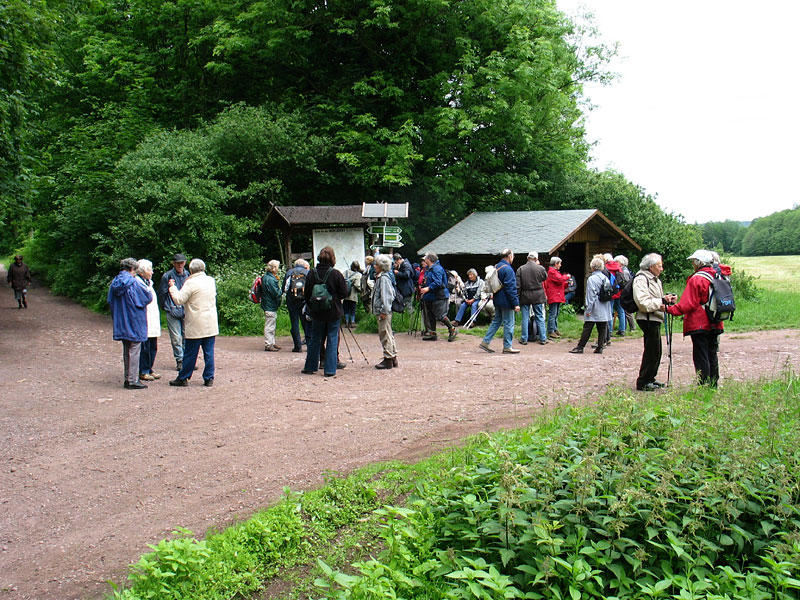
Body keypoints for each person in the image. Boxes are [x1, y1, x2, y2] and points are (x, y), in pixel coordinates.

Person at [665, 249, 725, 387]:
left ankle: (703, 383)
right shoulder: (719, 275)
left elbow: (688, 304)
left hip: (700, 324)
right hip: (716, 321)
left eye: (693, 261)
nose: (692, 264)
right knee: (712, 354)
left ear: (699, 262)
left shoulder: (697, 278)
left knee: (701, 355)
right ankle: (713, 384)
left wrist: (669, 309)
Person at [168, 258, 218, 387]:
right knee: (209, 352)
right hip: (210, 321)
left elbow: (179, 300)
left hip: (196, 322)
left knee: (190, 352)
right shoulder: (210, 281)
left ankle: (184, 377)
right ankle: (209, 377)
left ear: (191, 270)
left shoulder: (191, 283)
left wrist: (172, 287)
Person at [302, 246, 348, 377]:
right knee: (332, 338)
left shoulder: (312, 273)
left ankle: (310, 367)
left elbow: (307, 294)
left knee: (315, 338)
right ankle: (330, 369)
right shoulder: (336, 274)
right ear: (332, 258)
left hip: (317, 312)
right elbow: (344, 293)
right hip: (333, 312)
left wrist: (312, 306)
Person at [632, 253, 676, 391]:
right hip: (647, 318)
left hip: (654, 317)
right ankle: (643, 381)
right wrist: (662, 301)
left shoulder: (655, 279)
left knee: (656, 350)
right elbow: (642, 302)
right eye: (659, 266)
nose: (662, 268)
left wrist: (666, 300)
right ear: (651, 267)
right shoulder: (641, 279)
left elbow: (653, 300)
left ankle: (650, 378)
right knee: (652, 350)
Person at [107, 257, 152, 389]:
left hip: (121, 320)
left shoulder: (115, 282)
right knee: (135, 349)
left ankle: (128, 378)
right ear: (133, 269)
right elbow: (147, 297)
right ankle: (133, 380)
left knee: (126, 349)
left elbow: (110, 301)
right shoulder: (133, 283)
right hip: (134, 320)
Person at [479, 249, 520, 354]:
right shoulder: (508, 270)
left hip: (497, 300)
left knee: (496, 322)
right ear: (509, 256)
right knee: (509, 323)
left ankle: (485, 342)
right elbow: (511, 288)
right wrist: (515, 303)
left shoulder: (496, 267)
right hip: (507, 301)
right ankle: (507, 346)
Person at [569, 255, 612, 354]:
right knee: (602, 327)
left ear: (592, 267)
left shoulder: (592, 279)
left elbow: (591, 295)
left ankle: (580, 347)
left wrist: (588, 309)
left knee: (588, 326)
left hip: (595, 306)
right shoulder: (605, 278)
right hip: (604, 305)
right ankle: (600, 347)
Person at [158, 253, 190, 372]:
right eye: (177, 263)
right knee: (176, 338)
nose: (180, 265)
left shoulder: (188, 275)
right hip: (172, 310)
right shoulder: (167, 276)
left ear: (185, 263)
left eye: (182, 263)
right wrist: (166, 307)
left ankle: (186, 361)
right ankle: (180, 360)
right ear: (173, 264)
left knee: (186, 337)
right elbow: (162, 294)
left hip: (185, 311)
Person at [419, 252, 457, 342]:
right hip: (430, 296)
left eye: (426, 258)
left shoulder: (437, 269)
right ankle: (433, 334)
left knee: (441, 316)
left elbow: (438, 283)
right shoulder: (429, 269)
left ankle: (452, 329)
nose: (424, 260)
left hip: (439, 295)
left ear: (430, 259)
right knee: (430, 316)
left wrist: (428, 288)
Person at [135, 259, 162, 382]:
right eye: (149, 270)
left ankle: (149, 368)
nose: (152, 272)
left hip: (152, 319)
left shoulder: (149, 282)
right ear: (142, 272)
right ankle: (143, 370)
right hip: (144, 320)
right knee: (144, 347)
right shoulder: (138, 283)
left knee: (152, 346)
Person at [516, 251, 548, 345]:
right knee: (540, 317)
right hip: (538, 295)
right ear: (536, 259)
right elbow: (544, 277)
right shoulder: (540, 268)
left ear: (527, 258)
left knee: (525, 318)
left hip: (525, 296)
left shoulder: (521, 269)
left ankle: (524, 338)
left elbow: (518, 286)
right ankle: (543, 338)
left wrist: (517, 298)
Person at [372, 254, 398, 369]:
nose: (374, 266)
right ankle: (393, 357)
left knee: (385, 334)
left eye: (376, 264)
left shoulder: (384, 278)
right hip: (384, 310)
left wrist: (384, 310)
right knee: (388, 333)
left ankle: (388, 359)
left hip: (384, 311)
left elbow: (387, 296)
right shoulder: (383, 277)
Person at [282, 258, 310, 353]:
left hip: (292, 301)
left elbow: (284, 288)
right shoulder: (307, 272)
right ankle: (309, 345)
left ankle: (298, 347)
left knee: (294, 323)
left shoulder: (289, 272)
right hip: (304, 301)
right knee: (306, 323)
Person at [543, 257, 571, 339]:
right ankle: (551, 331)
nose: (560, 265)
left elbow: (559, 283)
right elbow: (560, 279)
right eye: (559, 263)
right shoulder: (552, 272)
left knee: (555, 314)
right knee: (553, 314)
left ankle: (554, 329)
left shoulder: (554, 272)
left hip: (557, 296)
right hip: (554, 296)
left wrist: (567, 283)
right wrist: (567, 276)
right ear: (556, 264)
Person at [261, 259, 282, 351]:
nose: (278, 269)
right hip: (270, 305)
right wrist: (282, 291)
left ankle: (271, 342)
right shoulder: (270, 279)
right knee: (270, 325)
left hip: (267, 304)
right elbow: (276, 293)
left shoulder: (265, 277)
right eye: (277, 267)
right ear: (273, 268)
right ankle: (268, 344)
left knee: (271, 324)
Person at [614, 254, 635, 334]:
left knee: (627, 311)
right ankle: (625, 327)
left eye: (617, 262)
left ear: (621, 263)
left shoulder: (624, 271)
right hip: (625, 293)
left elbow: (627, 283)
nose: (615, 263)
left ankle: (632, 327)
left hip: (626, 293)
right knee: (625, 311)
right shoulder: (622, 270)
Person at [343, 261, 362, 328]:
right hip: (352, 294)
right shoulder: (358, 275)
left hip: (345, 294)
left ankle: (347, 322)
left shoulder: (345, 272)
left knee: (346, 308)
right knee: (352, 309)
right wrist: (360, 290)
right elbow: (357, 285)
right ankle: (352, 322)